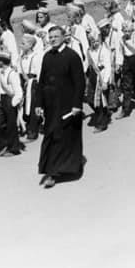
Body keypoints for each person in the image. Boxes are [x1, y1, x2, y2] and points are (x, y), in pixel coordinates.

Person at [35, 25, 86, 188]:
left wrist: (77, 105)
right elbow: (41, 82)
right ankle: (51, 171)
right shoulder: (47, 56)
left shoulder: (72, 56)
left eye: (56, 36)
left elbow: (80, 83)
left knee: (66, 137)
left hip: (67, 105)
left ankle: (65, 169)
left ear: (63, 37)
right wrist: (39, 103)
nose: (53, 40)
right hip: (51, 105)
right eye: (50, 37)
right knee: (51, 136)